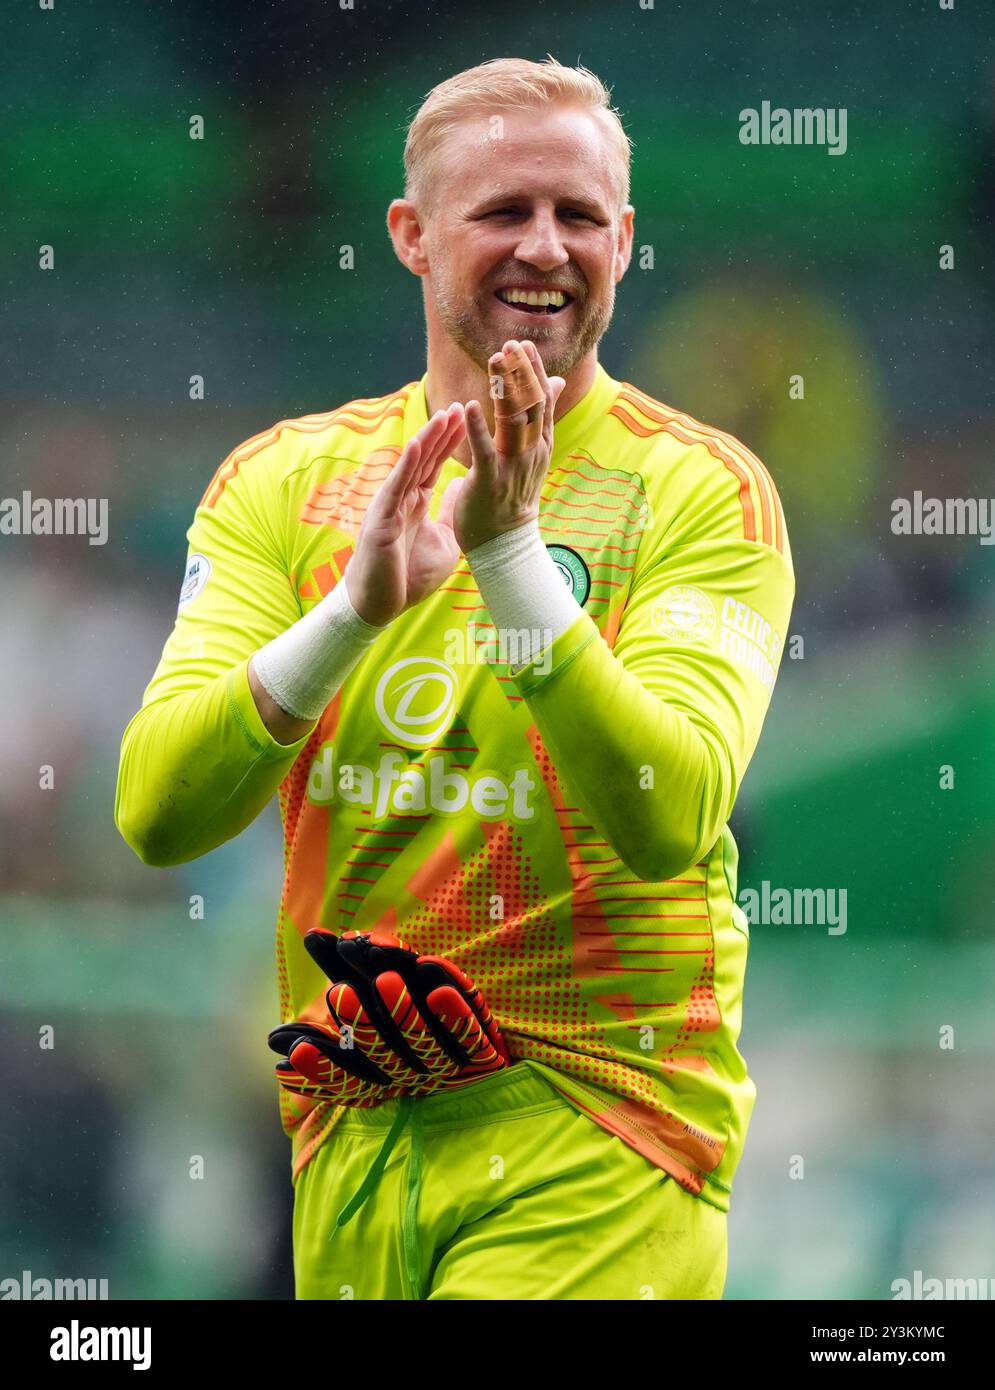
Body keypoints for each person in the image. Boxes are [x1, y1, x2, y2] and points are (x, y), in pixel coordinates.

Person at [115, 56, 794, 1300]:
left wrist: (506, 553)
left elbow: (668, 811)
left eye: (579, 216)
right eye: (504, 211)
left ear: (624, 240)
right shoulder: (281, 480)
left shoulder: (701, 490)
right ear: (412, 236)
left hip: (600, 1128)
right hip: (350, 1129)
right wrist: (353, 610)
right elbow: (157, 811)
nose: (546, 247)